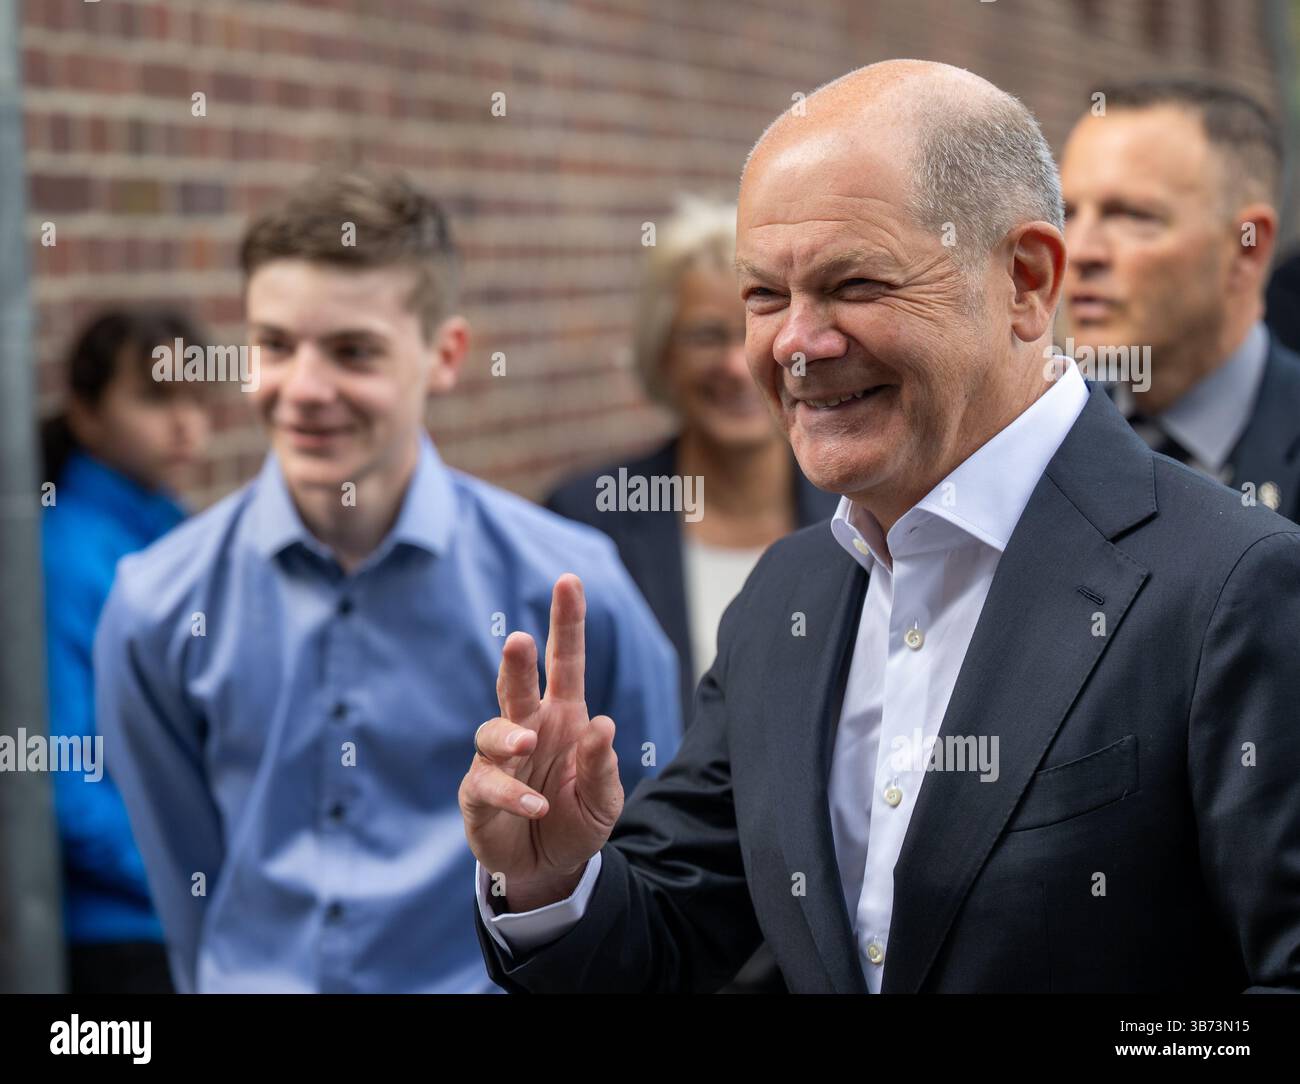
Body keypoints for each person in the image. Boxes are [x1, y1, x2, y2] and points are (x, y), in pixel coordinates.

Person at [460, 61, 1300, 994]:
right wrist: (551, 880)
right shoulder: (788, 597)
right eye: (765, 296)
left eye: (854, 283)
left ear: (1026, 282)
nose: (796, 344)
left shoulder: (1235, 583)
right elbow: (672, 936)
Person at [95, 170, 680, 993]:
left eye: (353, 351)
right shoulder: (154, 604)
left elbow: (655, 868)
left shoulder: (570, 595)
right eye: (275, 345)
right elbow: (186, 883)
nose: (303, 389)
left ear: (444, 356)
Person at [547, 195, 837, 728]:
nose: (734, 365)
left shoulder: (862, 513)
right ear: (661, 353)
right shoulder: (586, 519)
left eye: (753, 330)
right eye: (706, 335)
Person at [41, 307, 211, 993]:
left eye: (196, 397)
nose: (183, 422)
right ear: (85, 413)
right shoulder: (65, 556)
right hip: (118, 936)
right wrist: (193, 875)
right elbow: (61, 777)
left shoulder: (177, 533)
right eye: (154, 397)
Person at [1060, 77, 1300, 520]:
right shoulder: (1046, 435)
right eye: (1067, 213)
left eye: (1132, 215)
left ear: (1247, 248)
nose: (1078, 251)